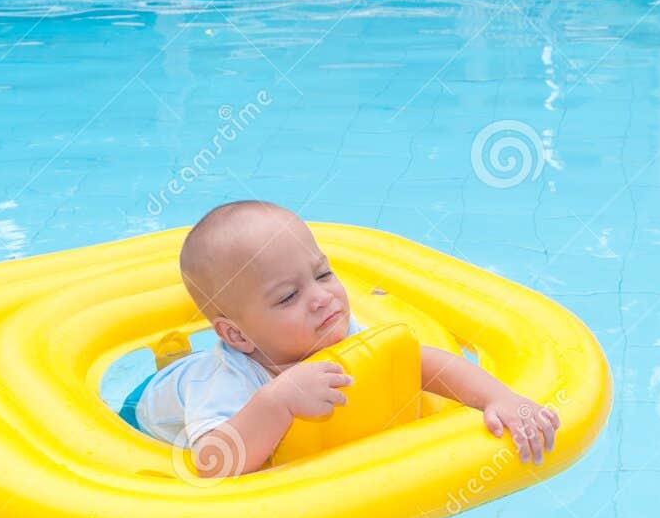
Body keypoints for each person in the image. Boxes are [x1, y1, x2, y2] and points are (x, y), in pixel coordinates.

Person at [131, 200, 560, 477]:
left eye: (322, 274)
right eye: (288, 296)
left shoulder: (337, 329)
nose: (321, 299)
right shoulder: (227, 383)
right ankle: (171, 361)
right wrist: (277, 401)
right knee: (179, 385)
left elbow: (423, 362)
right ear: (237, 335)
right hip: (150, 412)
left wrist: (499, 398)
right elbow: (212, 464)